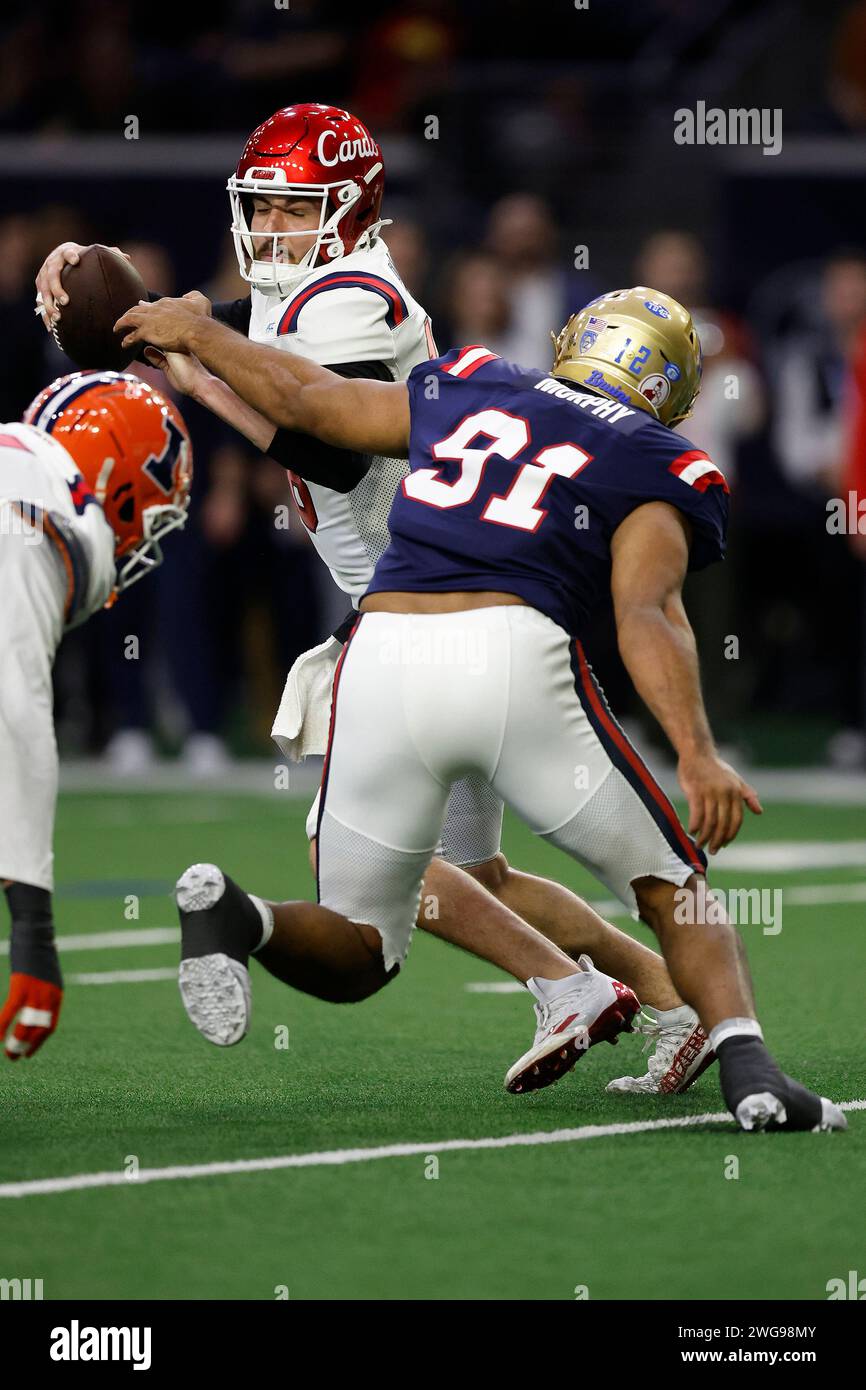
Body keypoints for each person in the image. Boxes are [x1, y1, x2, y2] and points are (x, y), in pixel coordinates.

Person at [38, 105, 714, 1098]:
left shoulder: (353, 293)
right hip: (446, 594)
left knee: (353, 843)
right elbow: (226, 333)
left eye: (285, 206)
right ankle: (665, 993)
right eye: (258, 205)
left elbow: (326, 441)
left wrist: (195, 363)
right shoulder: (307, 291)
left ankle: (569, 985)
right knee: (473, 872)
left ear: (344, 208)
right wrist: (105, 296)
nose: (266, 226)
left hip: (426, 600)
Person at [117, 285, 846, 1133]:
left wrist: (202, 338)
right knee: (673, 889)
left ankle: (245, 918)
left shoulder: (472, 380)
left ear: (575, 340)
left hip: (383, 656)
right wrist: (695, 749)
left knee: (362, 947)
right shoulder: (659, 457)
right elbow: (647, 611)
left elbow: (307, 400)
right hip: (510, 657)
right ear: (673, 391)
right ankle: (751, 1074)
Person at [0, 370, 192, 1060]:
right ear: (112, 475)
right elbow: (13, 711)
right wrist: (33, 936)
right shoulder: (38, 512)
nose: (141, 538)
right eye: (147, 506)